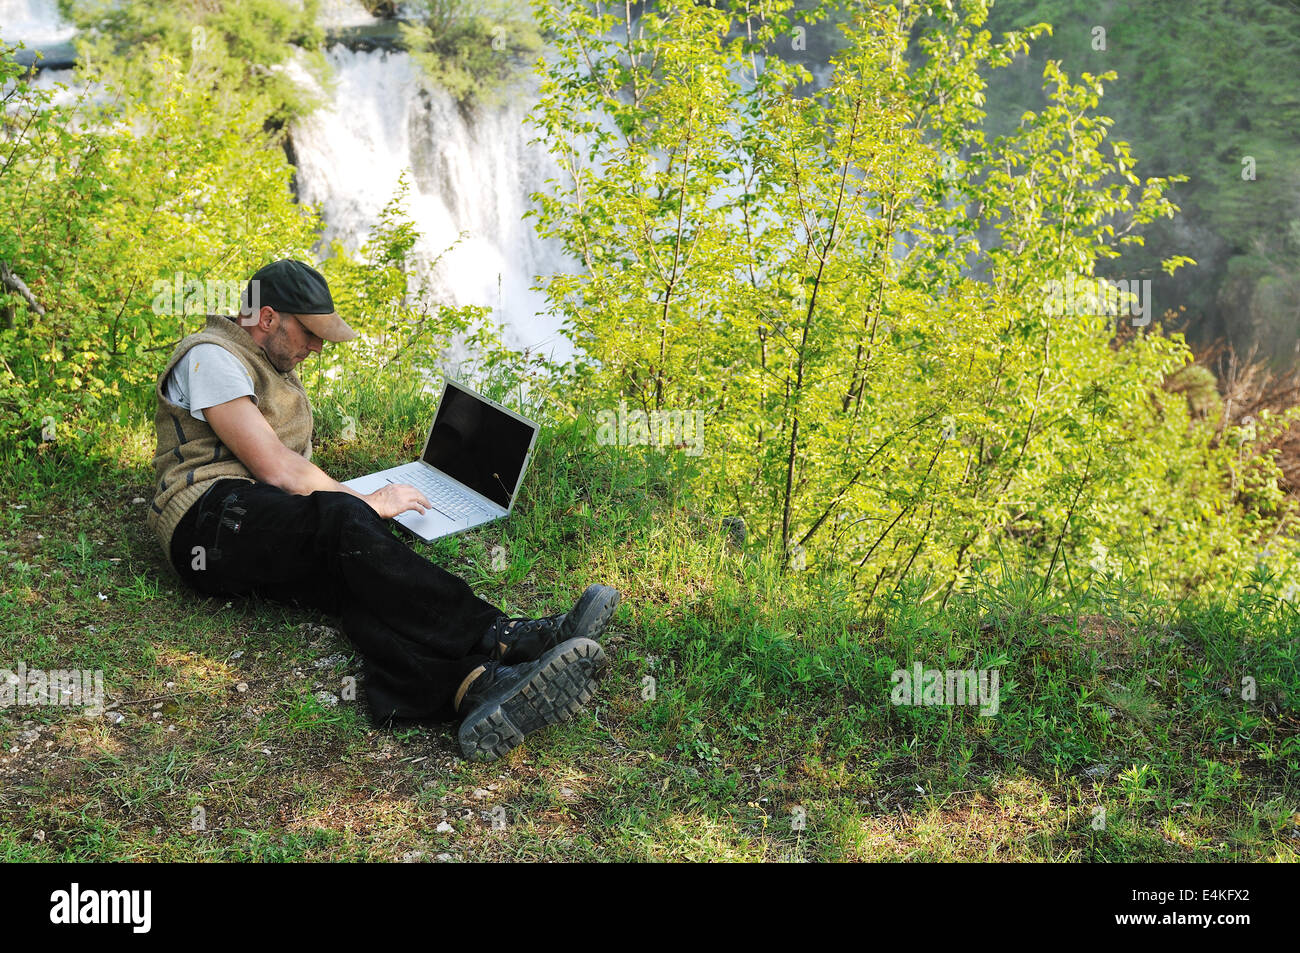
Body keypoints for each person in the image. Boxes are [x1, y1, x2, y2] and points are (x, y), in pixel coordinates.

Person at [145, 259, 619, 762]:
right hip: (207, 520)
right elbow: (275, 467)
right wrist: (364, 503)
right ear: (266, 318)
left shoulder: (268, 361)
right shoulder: (210, 357)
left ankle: (474, 688)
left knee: (361, 579)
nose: (317, 348)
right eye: (309, 334)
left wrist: (356, 509)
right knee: (347, 521)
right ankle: (503, 635)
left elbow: (286, 486)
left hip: (253, 525)